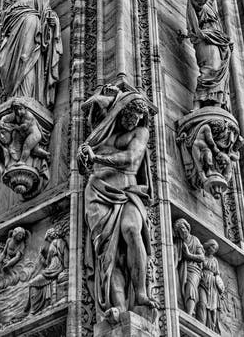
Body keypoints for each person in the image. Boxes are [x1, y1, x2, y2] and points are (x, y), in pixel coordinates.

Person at [78, 90, 156, 320]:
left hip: (129, 191)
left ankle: (140, 293)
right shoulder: (101, 132)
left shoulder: (141, 133)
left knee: (132, 229)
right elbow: (89, 104)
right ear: (120, 110)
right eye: (129, 115)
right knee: (108, 253)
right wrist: (85, 157)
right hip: (97, 192)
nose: (132, 121)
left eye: (136, 118)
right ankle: (119, 307)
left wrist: (96, 158)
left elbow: (131, 159)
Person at [184, 0, 244, 108]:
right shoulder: (198, 3)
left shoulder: (213, 11)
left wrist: (226, 41)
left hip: (217, 42)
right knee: (210, 70)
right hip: (206, 39)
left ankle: (217, 106)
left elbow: (218, 31)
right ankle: (197, 105)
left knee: (220, 73)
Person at [25, 226, 68, 314]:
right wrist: (41, 255)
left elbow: (64, 256)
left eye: (47, 238)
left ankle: (33, 310)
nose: (47, 241)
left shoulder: (57, 242)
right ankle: (35, 308)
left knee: (32, 283)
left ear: (49, 236)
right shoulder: (57, 243)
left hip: (53, 271)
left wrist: (66, 269)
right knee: (34, 282)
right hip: (51, 270)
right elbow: (48, 262)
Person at [173, 219, 204, 317]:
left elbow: (202, 257)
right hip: (182, 268)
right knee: (182, 288)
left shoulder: (195, 240)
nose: (182, 232)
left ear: (187, 227)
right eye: (179, 231)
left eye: (183, 228)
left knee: (191, 287)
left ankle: (190, 314)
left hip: (194, 269)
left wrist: (189, 255)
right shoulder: (179, 242)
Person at [197, 240, 225, 333]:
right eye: (213, 247)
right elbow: (198, 266)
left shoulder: (215, 260)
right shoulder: (202, 256)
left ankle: (211, 328)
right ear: (208, 246)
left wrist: (220, 287)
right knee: (202, 303)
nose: (213, 250)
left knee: (213, 309)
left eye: (215, 249)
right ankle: (201, 323)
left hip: (213, 285)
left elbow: (217, 274)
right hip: (202, 281)